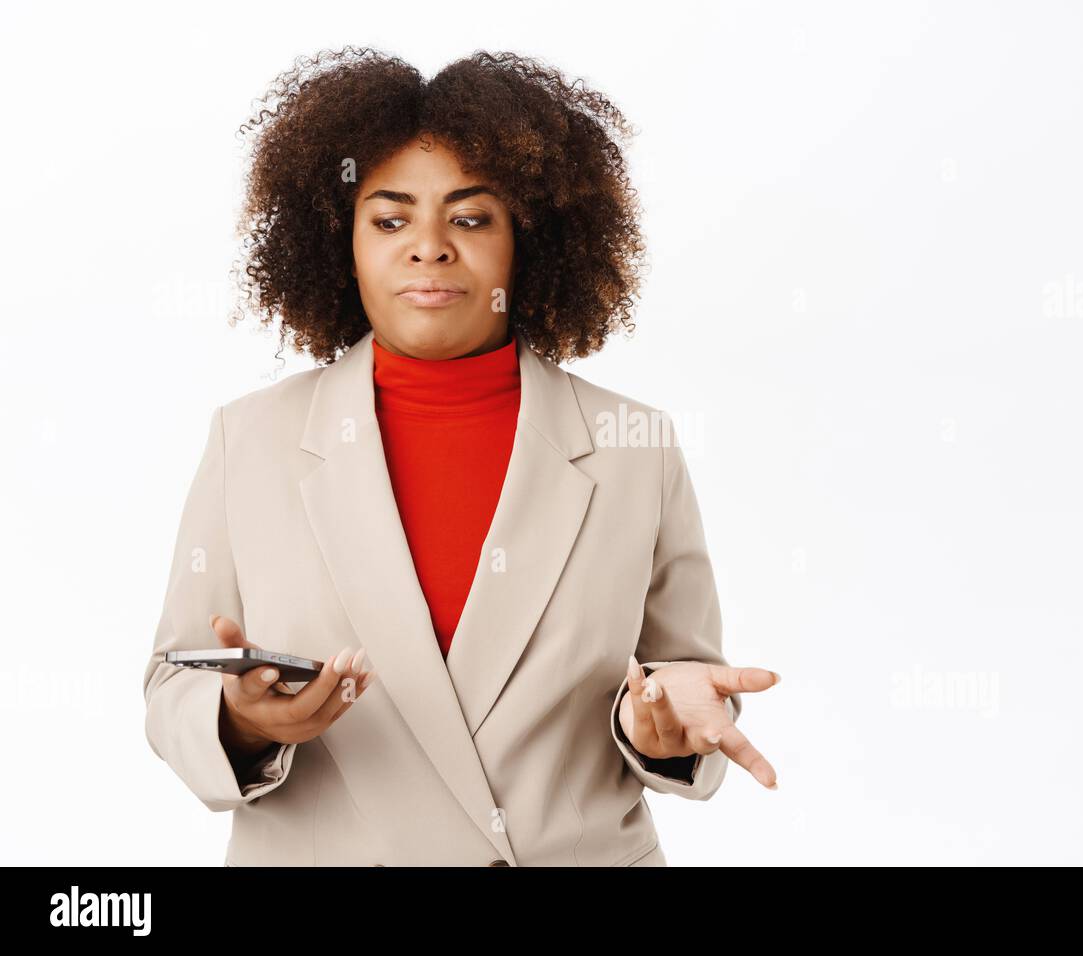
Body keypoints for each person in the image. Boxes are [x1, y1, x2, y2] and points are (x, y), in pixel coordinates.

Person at [143, 47, 779, 867]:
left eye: (472, 218)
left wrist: (655, 722)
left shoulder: (635, 446)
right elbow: (172, 685)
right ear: (343, 241)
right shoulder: (251, 439)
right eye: (390, 218)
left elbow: (679, 677)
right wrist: (240, 722)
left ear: (530, 241)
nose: (430, 247)